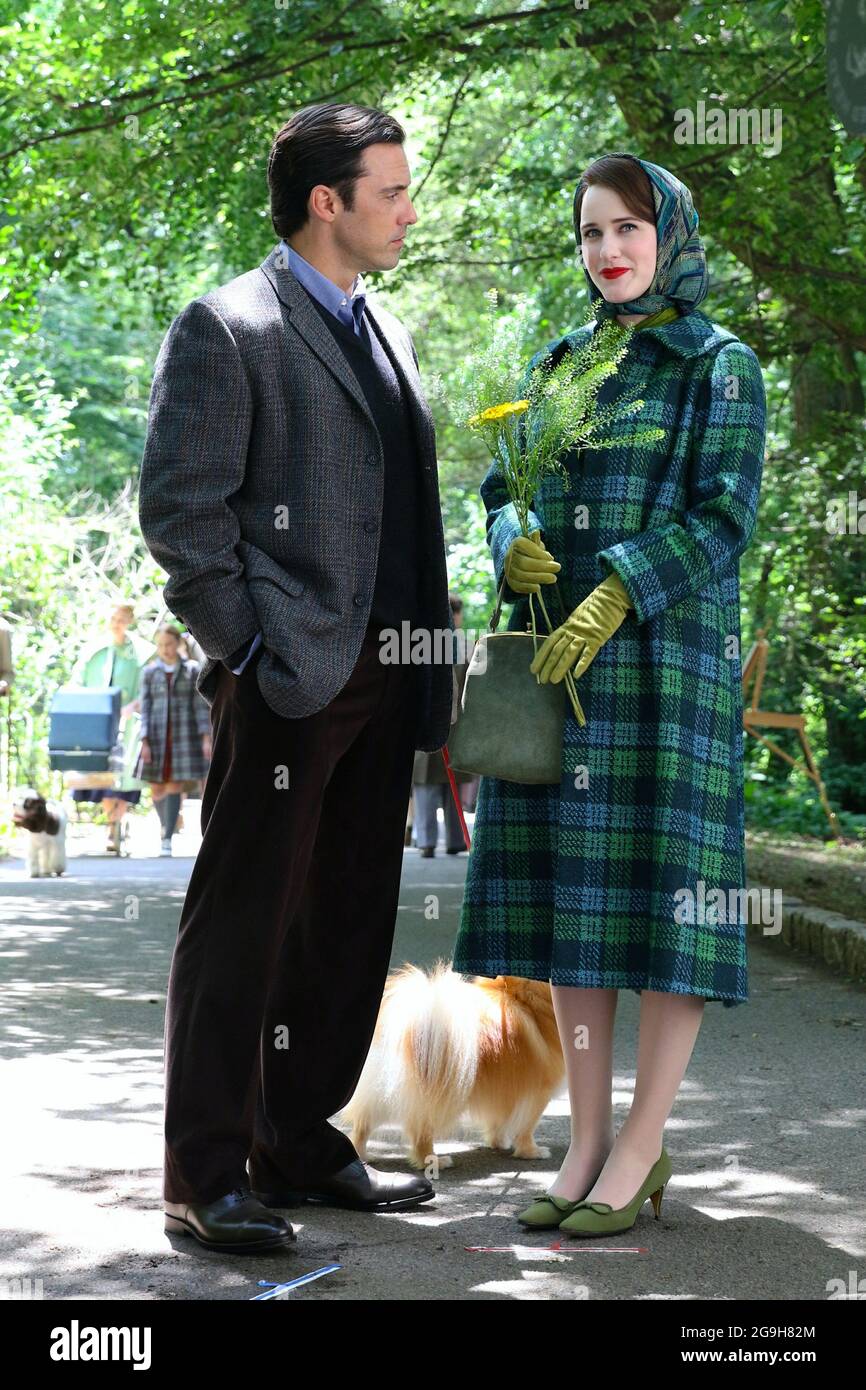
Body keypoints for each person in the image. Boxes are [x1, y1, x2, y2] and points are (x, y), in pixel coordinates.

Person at [138, 102, 455, 1254]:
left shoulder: (389, 330)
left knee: (344, 920)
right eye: (392, 192)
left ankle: (298, 1136)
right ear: (327, 203)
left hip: (394, 671)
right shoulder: (229, 327)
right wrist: (254, 648)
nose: (409, 211)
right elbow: (180, 510)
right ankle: (205, 1170)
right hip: (291, 672)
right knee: (244, 922)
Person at [451, 153, 766, 1237]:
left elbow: (724, 518)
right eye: (589, 232)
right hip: (553, 681)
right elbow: (502, 486)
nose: (607, 250)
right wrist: (512, 543)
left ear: (666, 233)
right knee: (573, 918)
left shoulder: (717, 365)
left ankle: (641, 1143)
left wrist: (619, 590)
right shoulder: (559, 361)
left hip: (662, 678)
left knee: (662, 908)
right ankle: (584, 1140)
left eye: (627, 227)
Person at [69, 603, 150, 853]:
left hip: (127, 719)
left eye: (122, 619)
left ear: (130, 621)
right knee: (102, 774)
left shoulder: (139, 653)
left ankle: (116, 824)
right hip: (98, 720)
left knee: (122, 773)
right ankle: (111, 826)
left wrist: (132, 707)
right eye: (113, 618)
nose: (117, 623)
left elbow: (144, 688)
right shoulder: (95, 651)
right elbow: (78, 682)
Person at [134, 623, 212, 855]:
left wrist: (205, 737)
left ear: (178, 643)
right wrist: (144, 740)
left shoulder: (192, 670)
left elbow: (201, 707)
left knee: (174, 785)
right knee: (157, 789)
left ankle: (167, 838)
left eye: (169, 644)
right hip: (157, 736)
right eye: (161, 645)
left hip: (183, 736)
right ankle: (166, 824)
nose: (165, 649)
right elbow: (145, 708)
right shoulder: (149, 672)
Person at [412, 593, 474, 856]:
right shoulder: (422, 645)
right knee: (436, 785)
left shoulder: (418, 644)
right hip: (443, 726)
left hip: (443, 726)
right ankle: (442, 841)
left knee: (441, 786)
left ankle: (437, 841)